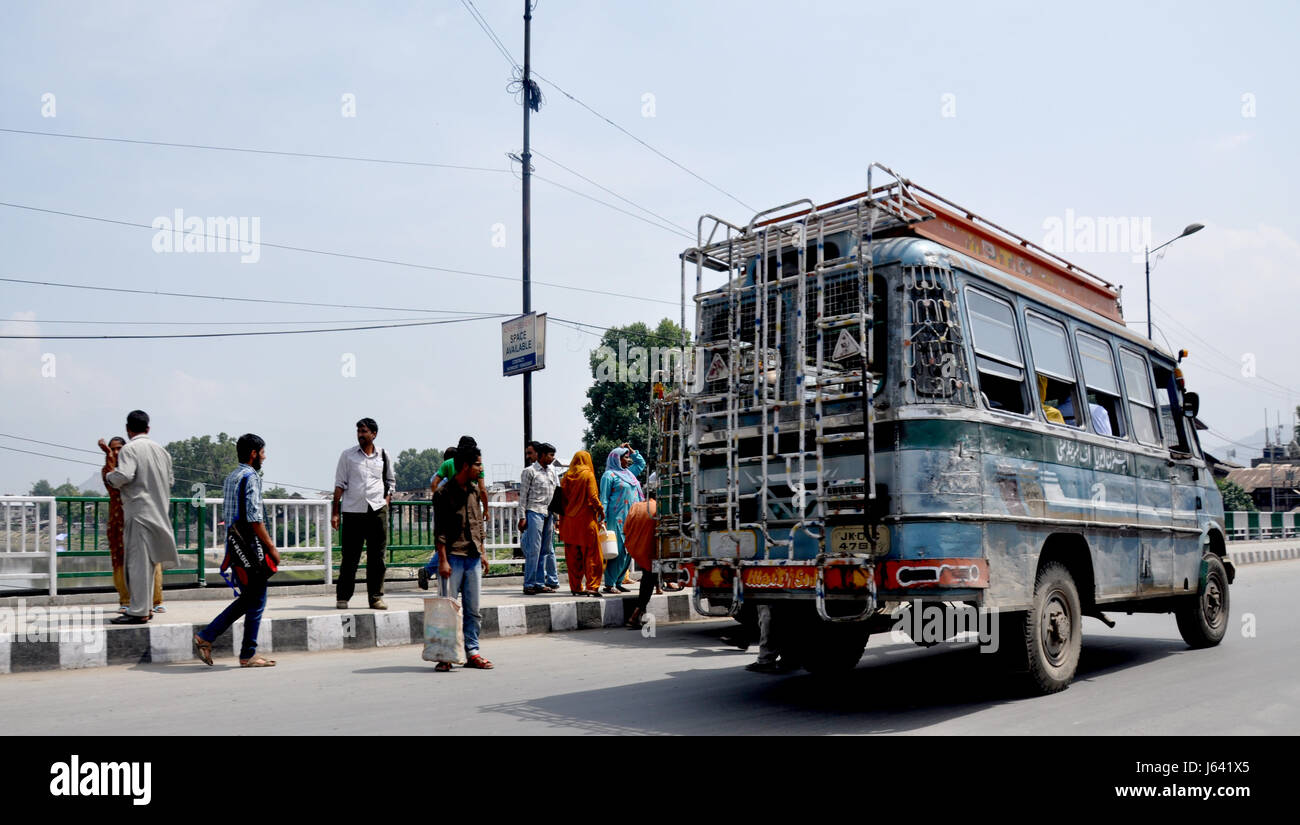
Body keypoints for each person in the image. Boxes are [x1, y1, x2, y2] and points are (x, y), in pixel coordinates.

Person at [193, 434, 280, 667]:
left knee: (250, 598)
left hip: (235, 545)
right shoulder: (251, 477)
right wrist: (271, 547)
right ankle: (218, 641)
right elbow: (254, 517)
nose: (264, 456)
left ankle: (231, 647)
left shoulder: (232, 476)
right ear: (253, 453)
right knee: (256, 598)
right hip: (251, 547)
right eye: (262, 452)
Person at [105, 410, 180, 625]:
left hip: (138, 512)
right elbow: (171, 481)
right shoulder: (162, 451)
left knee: (137, 565)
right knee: (148, 564)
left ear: (128, 429)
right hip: (159, 511)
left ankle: (138, 611)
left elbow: (124, 476)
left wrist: (110, 476)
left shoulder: (130, 449)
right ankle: (146, 607)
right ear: (148, 428)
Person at [432, 445, 493, 671]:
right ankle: (445, 654)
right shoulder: (443, 494)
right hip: (453, 558)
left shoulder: (475, 491)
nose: (480, 468)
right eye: (477, 464)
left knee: (473, 610)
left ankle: (472, 652)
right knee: (447, 610)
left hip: (473, 557)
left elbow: (478, 524)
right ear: (466, 466)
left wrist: (483, 552)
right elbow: (439, 530)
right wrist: (442, 560)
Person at [331, 418, 395, 610]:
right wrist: (335, 512)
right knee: (350, 557)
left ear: (374, 434)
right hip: (353, 511)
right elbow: (339, 484)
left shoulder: (383, 455)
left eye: (364, 431)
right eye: (359, 431)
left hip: (376, 510)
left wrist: (386, 501)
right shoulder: (348, 456)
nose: (360, 434)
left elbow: (391, 482)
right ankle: (343, 597)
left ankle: (376, 597)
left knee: (377, 557)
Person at [99, 436, 165, 614]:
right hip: (118, 522)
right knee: (120, 561)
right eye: (112, 449)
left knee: (151, 558)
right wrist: (109, 458)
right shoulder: (109, 470)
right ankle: (126, 600)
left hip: (140, 518)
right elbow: (113, 485)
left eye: (119, 448)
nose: (116, 452)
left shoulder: (134, 467)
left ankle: (156, 599)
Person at [599, 444, 646, 594]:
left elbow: (641, 464)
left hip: (632, 518)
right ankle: (609, 583)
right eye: (625, 457)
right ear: (616, 459)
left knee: (629, 551)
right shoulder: (609, 475)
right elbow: (604, 498)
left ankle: (618, 581)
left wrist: (632, 451)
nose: (628, 460)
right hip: (616, 518)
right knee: (617, 550)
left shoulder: (629, 474)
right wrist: (602, 518)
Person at [559, 450, 605, 597]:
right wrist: (601, 510)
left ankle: (576, 587)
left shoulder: (566, 477)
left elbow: (560, 501)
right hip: (586, 523)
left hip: (569, 524)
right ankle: (591, 586)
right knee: (592, 555)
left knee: (573, 558)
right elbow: (592, 497)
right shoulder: (588, 475)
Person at [518, 442, 560, 595]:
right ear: (542, 455)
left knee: (545, 550)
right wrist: (522, 517)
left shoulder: (552, 471)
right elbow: (523, 497)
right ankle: (529, 583)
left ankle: (540, 583)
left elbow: (556, 493)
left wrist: (557, 517)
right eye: (550, 455)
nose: (552, 458)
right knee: (534, 550)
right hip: (534, 511)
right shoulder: (529, 472)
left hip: (548, 513)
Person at [622, 492, 658, 629]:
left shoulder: (635, 506)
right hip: (653, 550)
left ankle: (639, 613)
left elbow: (626, 529)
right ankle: (636, 614)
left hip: (638, 550)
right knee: (648, 579)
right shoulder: (658, 507)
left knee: (648, 578)